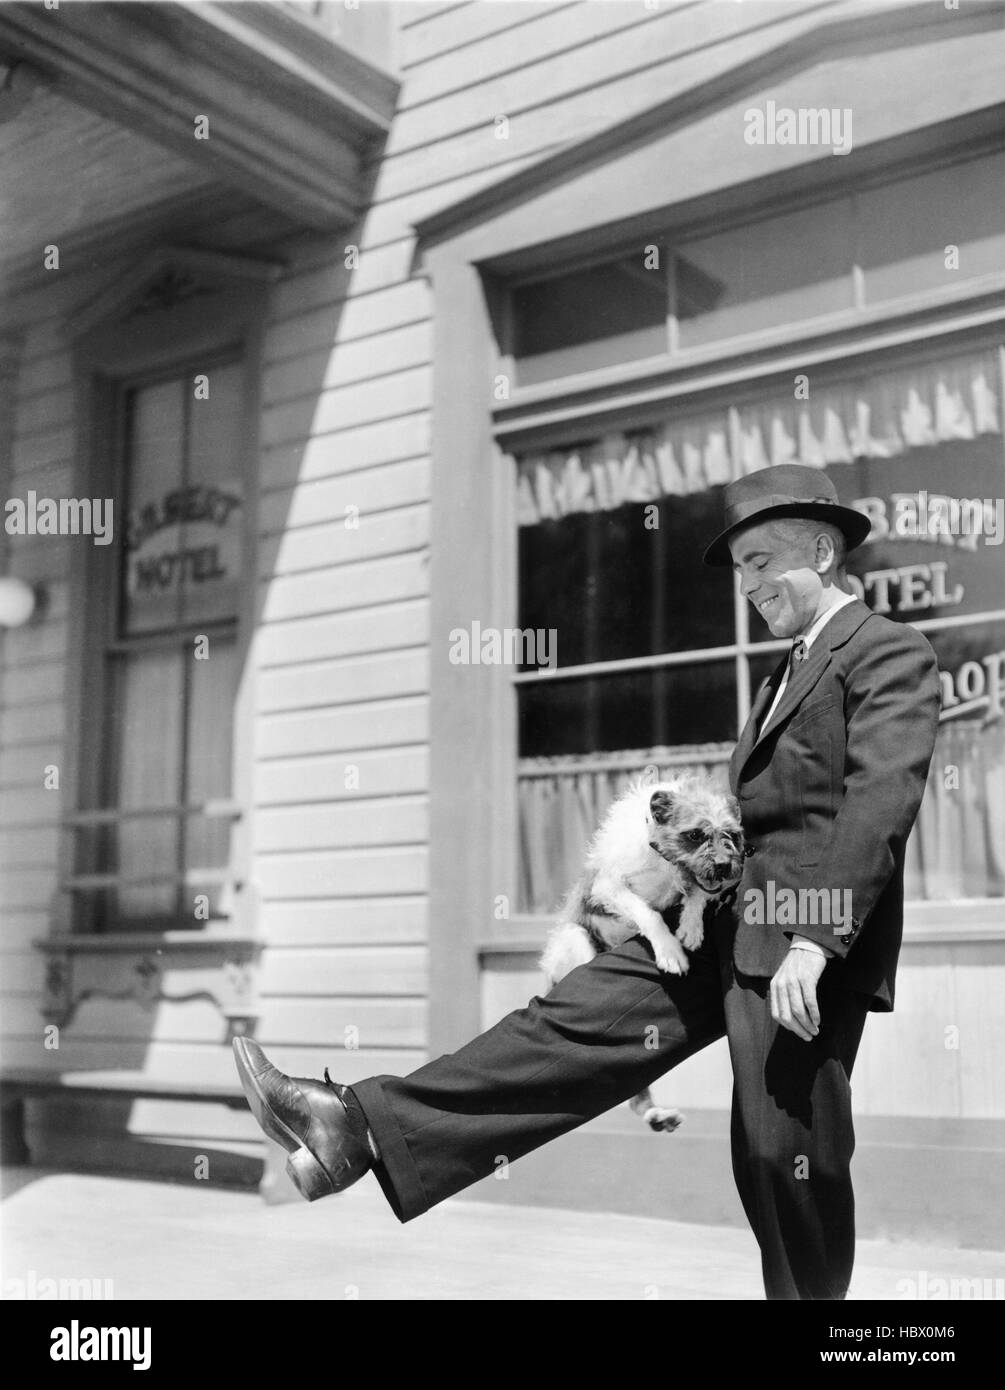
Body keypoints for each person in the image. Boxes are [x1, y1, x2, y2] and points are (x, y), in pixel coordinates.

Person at [233, 463, 941, 1300]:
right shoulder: (782, 670)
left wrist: (817, 943)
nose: (747, 583)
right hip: (719, 921)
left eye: (762, 561)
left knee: (780, 1153)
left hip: (800, 943)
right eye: (741, 566)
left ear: (821, 551)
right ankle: (355, 1124)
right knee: (567, 1024)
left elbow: (877, 805)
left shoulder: (887, 653)